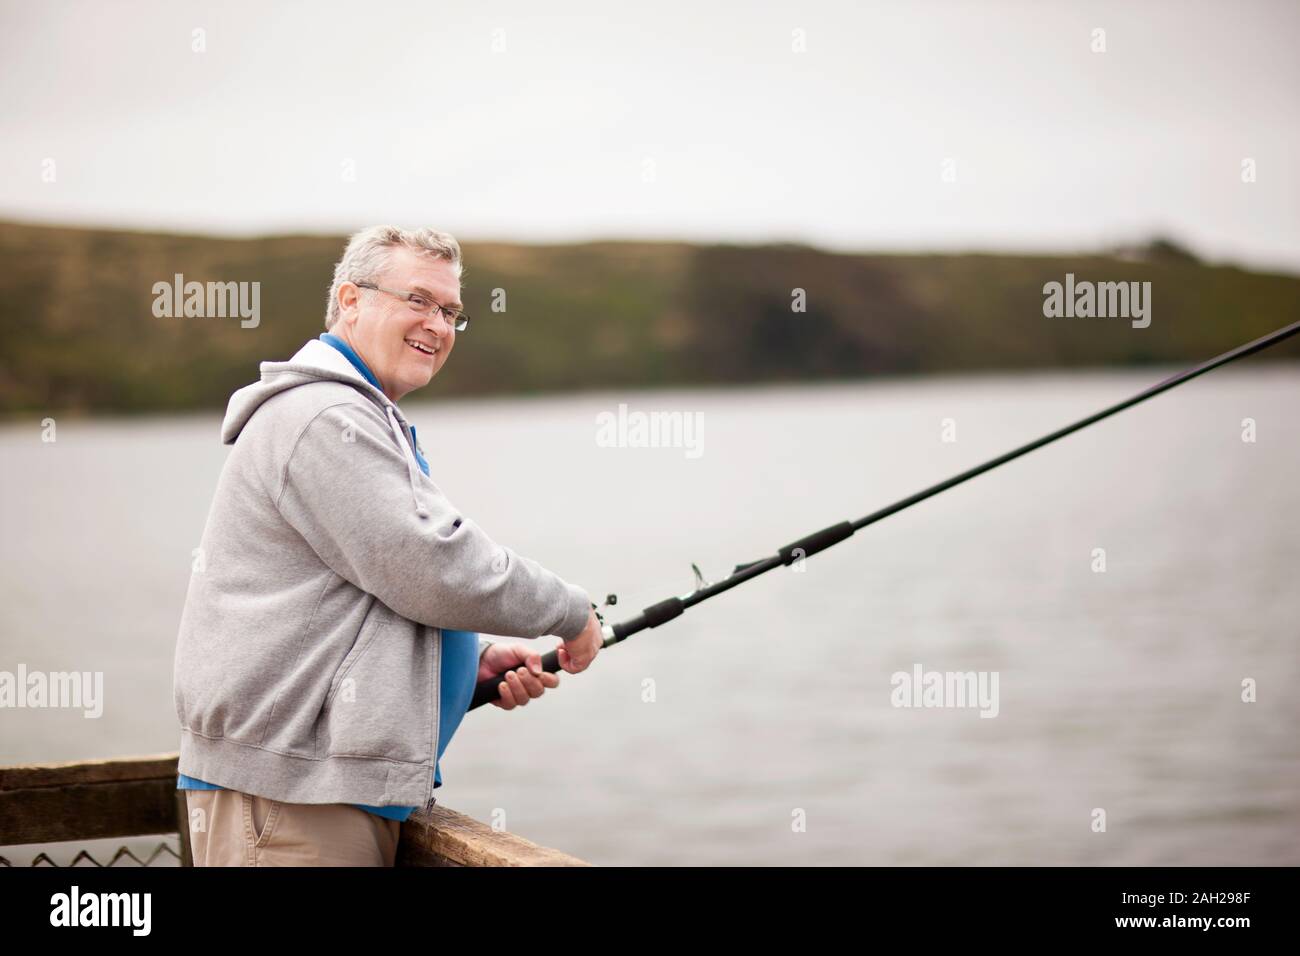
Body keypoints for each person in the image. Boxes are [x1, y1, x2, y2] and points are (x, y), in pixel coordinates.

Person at [173, 225, 603, 866]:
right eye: (418, 300)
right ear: (351, 300)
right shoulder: (325, 419)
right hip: (288, 805)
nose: (438, 325)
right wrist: (569, 611)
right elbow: (431, 564)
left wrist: (466, 665)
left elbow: (369, 591)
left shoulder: (352, 414)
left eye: (451, 311)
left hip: (306, 796)